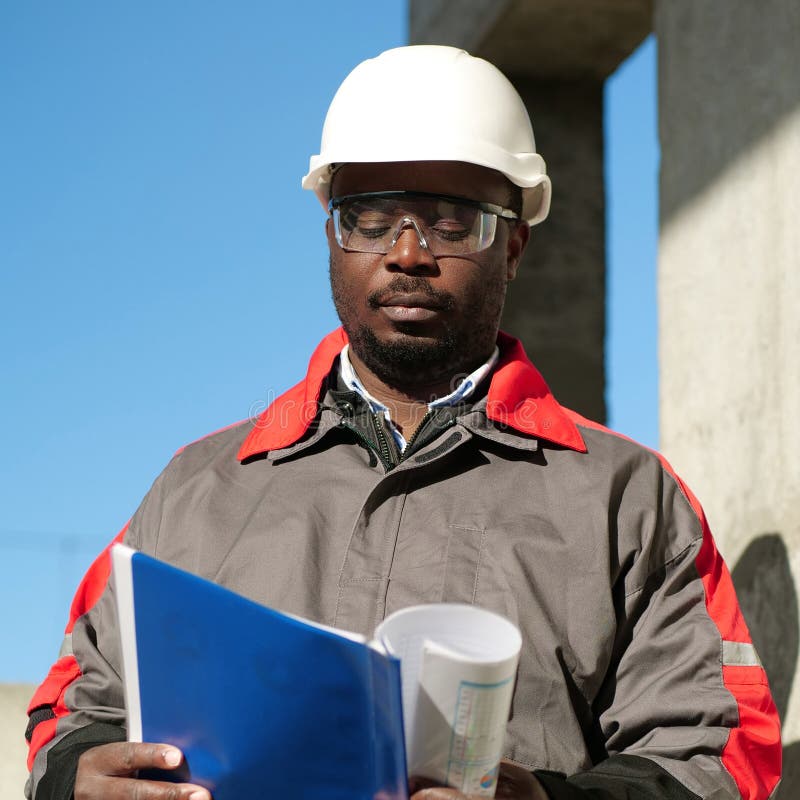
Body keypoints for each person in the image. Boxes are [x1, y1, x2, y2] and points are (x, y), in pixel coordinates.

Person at [25, 45, 781, 800]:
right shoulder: (197, 489)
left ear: (513, 245)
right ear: (330, 235)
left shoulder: (629, 499)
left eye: (454, 222)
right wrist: (75, 777)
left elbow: (719, 756)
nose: (408, 254)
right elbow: (71, 709)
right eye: (372, 217)